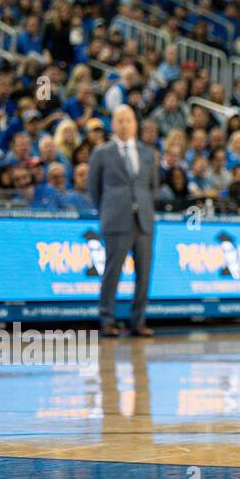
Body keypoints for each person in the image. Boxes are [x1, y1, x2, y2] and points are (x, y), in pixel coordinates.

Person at [86, 106, 158, 337]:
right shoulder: (101, 152)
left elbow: (152, 187)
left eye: (128, 120)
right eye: (120, 121)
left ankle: (138, 321)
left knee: (144, 273)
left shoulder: (147, 153)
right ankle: (107, 319)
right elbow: (93, 189)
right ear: (113, 124)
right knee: (112, 271)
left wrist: (143, 206)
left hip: (144, 221)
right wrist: (109, 210)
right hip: (116, 220)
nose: (124, 125)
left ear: (135, 123)